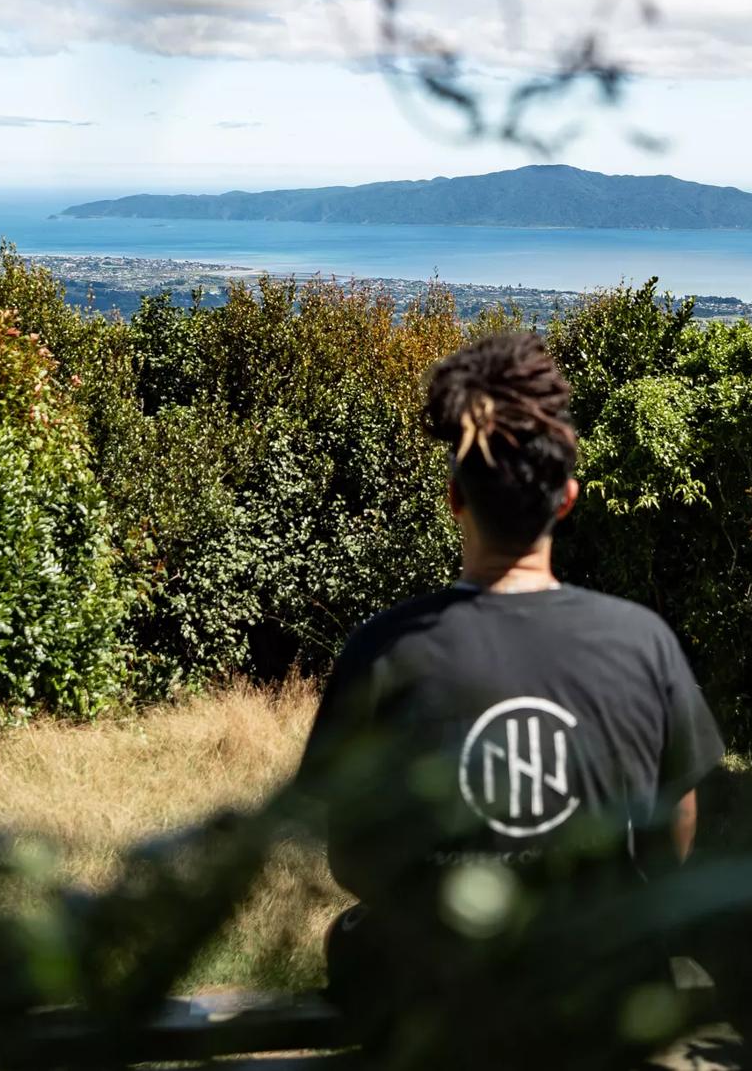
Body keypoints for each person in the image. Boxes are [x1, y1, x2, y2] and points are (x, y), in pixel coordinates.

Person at [296, 330, 724, 1031]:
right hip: (602, 999)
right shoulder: (643, 643)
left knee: (353, 937)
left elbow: (352, 854)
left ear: (454, 497)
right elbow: (674, 826)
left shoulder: (383, 651)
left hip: (434, 1005)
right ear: (567, 499)